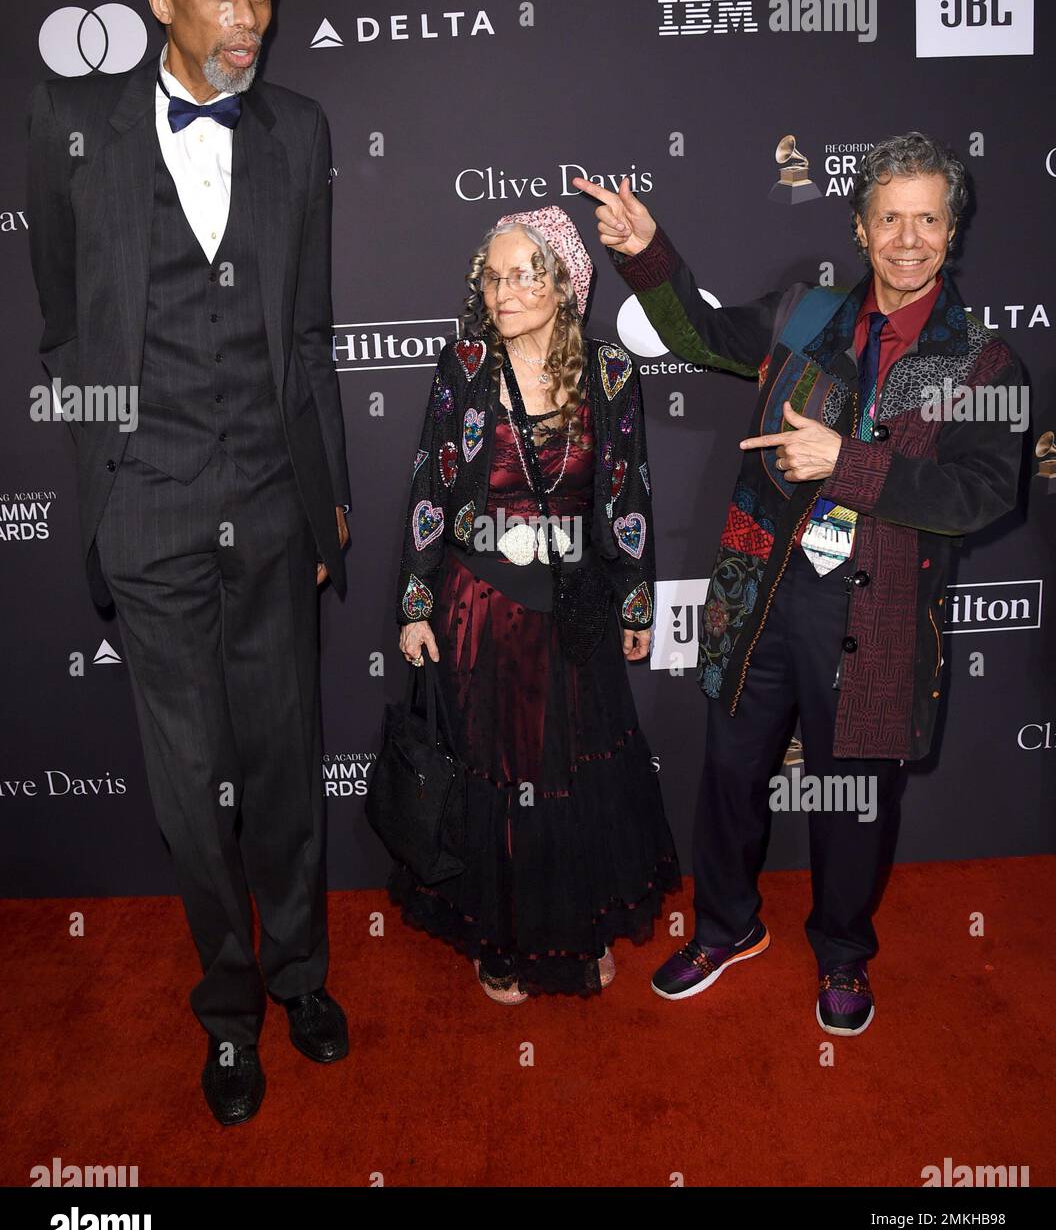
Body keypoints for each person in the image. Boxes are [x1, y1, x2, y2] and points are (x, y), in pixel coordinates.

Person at [574, 131, 1024, 1034]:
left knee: (854, 805)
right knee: (731, 777)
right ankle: (727, 928)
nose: (907, 238)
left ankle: (845, 955)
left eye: (927, 219)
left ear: (951, 231)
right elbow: (696, 335)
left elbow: (980, 495)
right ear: (860, 227)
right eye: (888, 217)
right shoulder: (804, 315)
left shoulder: (984, 362)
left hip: (879, 615)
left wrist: (848, 464)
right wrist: (647, 253)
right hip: (762, 597)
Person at [26, 0, 351, 1124]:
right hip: (150, 507)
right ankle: (228, 1016)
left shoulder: (299, 128)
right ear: (161, 2)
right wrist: (104, 489)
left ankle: (302, 978)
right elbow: (63, 324)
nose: (246, 21)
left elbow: (311, 332)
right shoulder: (67, 129)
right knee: (191, 785)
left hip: (273, 500)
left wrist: (328, 503)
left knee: (281, 762)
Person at [392, 206, 680, 1001]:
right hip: (481, 606)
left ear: (563, 283)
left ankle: (570, 924)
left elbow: (627, 495)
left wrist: (633, 601)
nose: (508, 290)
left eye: (527, 273)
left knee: (570, 777)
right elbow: (430, 483)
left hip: (573, 612)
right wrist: (415, 604)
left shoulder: (610, 372)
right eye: (495, 275)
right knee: (501, 777)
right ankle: (504, 939)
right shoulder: (463, 368)